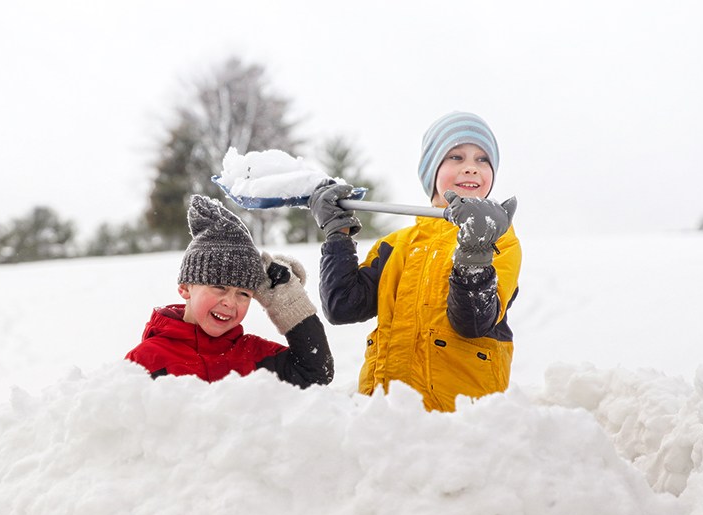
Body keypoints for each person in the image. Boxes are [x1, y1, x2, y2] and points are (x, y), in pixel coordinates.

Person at [309, 111, 520, 411]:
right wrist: (337, 234)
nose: (471, 168)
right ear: (431, 171)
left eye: (483, 160)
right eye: (456, 157)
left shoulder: (500, 240)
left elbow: (472, 322)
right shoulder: (396, 245)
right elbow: (342, 305)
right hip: (385, 413)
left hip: (458, 422)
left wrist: (476, 250)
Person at [126, 194, 334, 389]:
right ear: (185, 287)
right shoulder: (146, 361)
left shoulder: (256, 356)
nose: (230, 302)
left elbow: (317, 374)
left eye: (243, 293)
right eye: (219, 287)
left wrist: (288, 300)